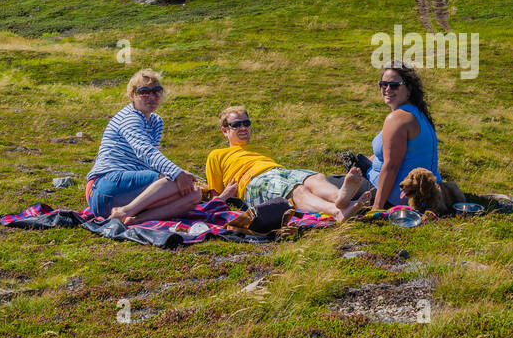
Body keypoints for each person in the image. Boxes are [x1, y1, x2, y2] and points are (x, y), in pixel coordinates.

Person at [203, 106, 371, 222]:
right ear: (225, 130)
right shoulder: (217, 155)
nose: (243, 128)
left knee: (315, 178)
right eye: (236, 125)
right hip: (252, 182)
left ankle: (340, 197)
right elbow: (214, 200)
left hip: (278, 171)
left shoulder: (262, 149)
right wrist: (226, 194)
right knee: (296, 190)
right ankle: (336, 212)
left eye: (246, 123)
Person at [85, 69, 203, 225]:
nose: (152, 96)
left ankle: (134, 219)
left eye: (157, 91)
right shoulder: (130, 118)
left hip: (128, 189)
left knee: (193, 194)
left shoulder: (156, 121)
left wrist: (180, 174)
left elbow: (149, 162)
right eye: (144, 91)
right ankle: (124, 212)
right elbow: (146, 152)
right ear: (132, 95)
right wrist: (177, 173)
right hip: (104, 185)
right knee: (174, 179)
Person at [367, 63, 439, 210]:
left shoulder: (397, 119)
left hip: (399, 195)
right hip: (427, 195)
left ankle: (339, 208)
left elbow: (392, 166)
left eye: (394, 85)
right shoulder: (418, 114)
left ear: (409, 89)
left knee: (310, 183)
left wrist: (377, 207)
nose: (387, 89)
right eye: (383, 84)